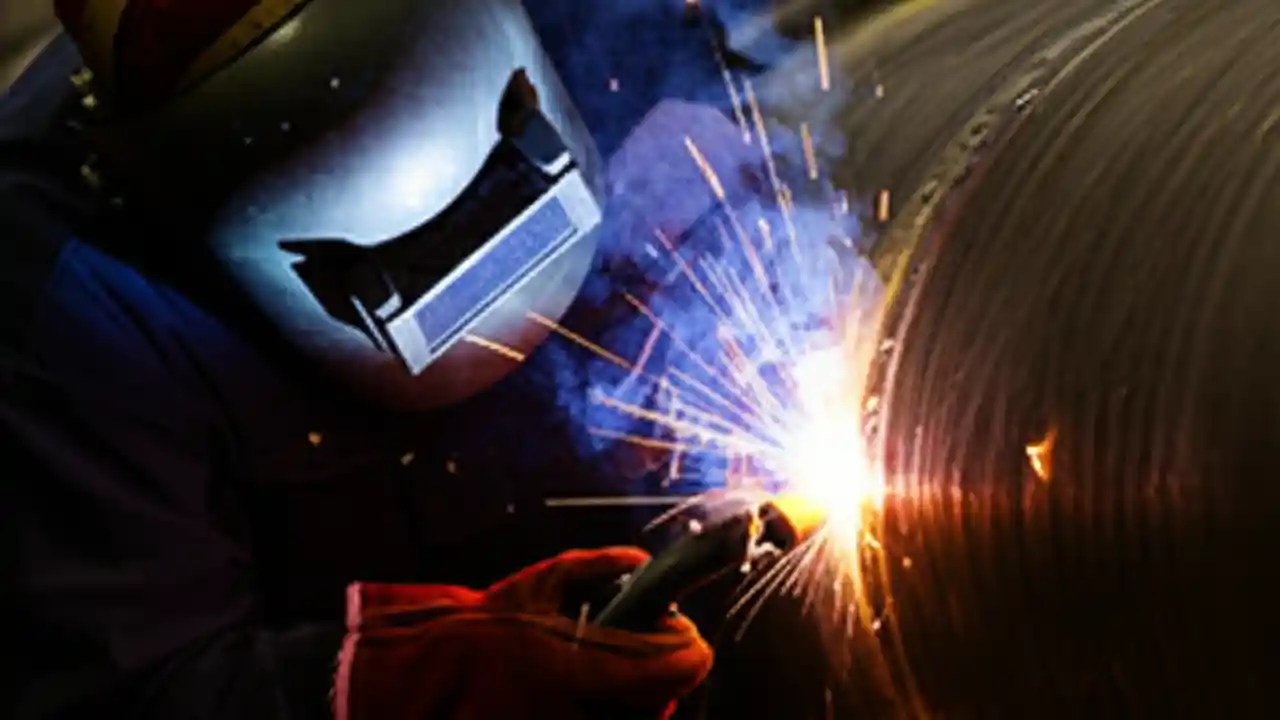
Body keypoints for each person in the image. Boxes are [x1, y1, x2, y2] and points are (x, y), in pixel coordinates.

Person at [1, 1, 712, 718]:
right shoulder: (58, 298)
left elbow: (746, 103)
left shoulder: (586, 18)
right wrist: (418, 685)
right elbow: (131, 691)